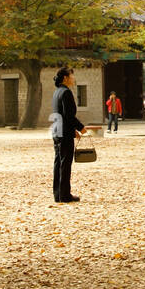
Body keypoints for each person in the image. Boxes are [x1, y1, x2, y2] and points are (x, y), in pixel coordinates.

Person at [49, 67, 90, 202]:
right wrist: (80, 128)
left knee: (58, 162)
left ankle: (58, 194)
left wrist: (74, 130)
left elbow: (61, 114)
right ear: (66, 78)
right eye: (71, 76)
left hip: (56, 130)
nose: (73, 78)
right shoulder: (66, 92)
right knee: (65, 163)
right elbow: (68, 115)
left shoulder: (56, 92)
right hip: (64, 132)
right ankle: (65, 195)